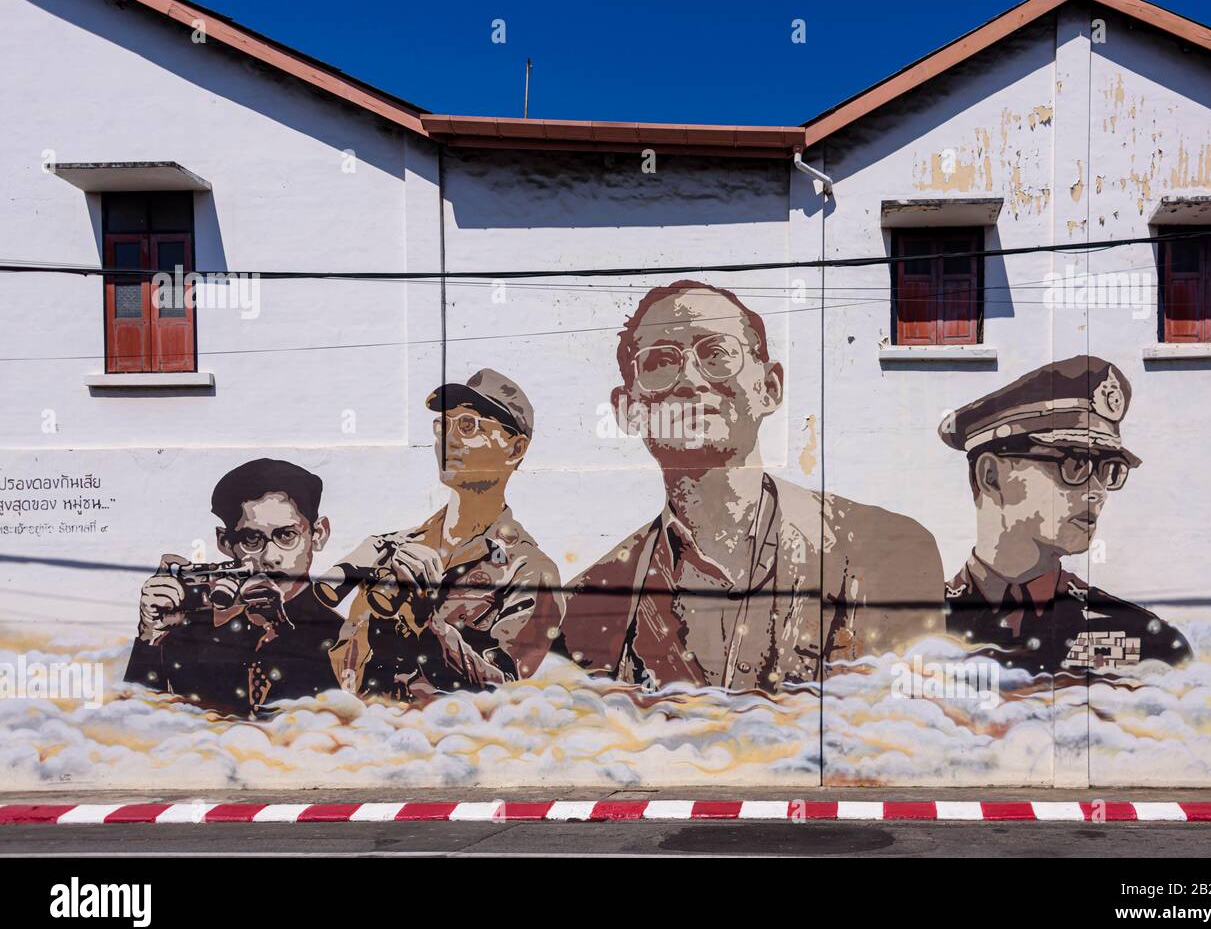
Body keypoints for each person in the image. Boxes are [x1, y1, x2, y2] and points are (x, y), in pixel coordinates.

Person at [559, 280, 945, 693]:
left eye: (717, 353)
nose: (690, 380)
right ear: (629, 410)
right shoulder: (587, 602)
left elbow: (897, 736)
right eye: (659, 363)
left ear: (770, 387)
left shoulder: (884, 549)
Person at [939, 355, 1191, 675]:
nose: (1098, 492)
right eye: (1074, 464)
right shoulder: (916, 624)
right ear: (991, 475)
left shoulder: (1144, 640)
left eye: (1108, 470)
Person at [322, 369, 563, 701]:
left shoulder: (528, 570)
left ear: (515, 448)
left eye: (467, 425)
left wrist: (430, 621)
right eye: (442, 426)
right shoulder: (397, 550)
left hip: (457, 746)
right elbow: (344, 673)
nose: (448, 439)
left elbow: (509, 691)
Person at [124, 458, 342, 715]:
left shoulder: (346, 636)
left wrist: (281, 633)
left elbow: (343, 719)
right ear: (225, 543)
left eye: (286, 535)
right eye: (252, 539)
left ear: (318, 534)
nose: (270, 556)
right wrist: (151, 638)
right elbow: (134, 725)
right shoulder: (188, 633)